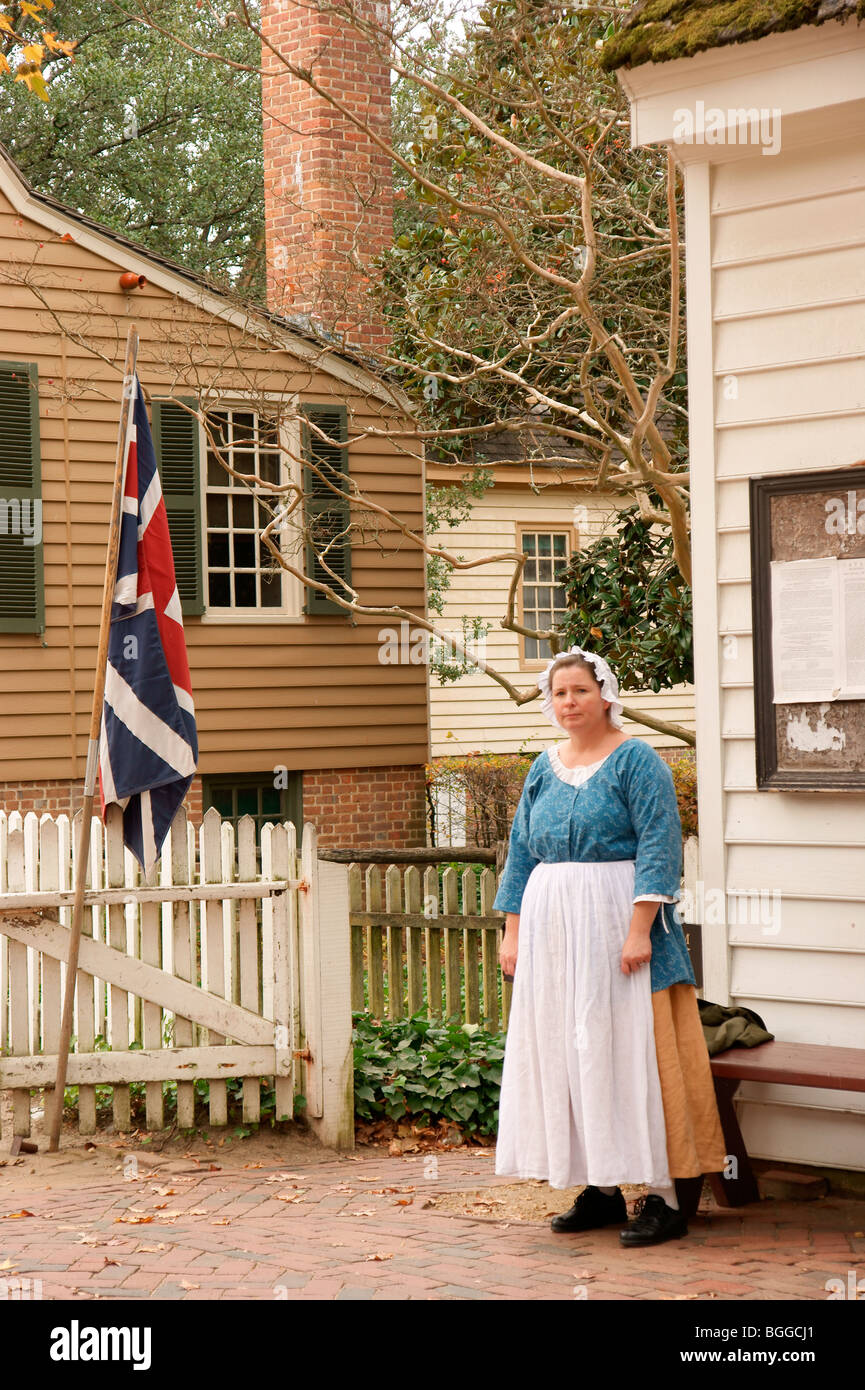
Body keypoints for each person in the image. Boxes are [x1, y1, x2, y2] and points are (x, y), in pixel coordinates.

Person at [494, 645, 727, 1247]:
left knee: (628, 1051)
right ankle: (599, 1187)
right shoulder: (543, 766)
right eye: (559, 693)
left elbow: (659, 844)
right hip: (553, 927)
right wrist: (512, 930)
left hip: (615, 919)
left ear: (605, 695)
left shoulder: (636, 760)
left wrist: (638, 928)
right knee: (572, 1051)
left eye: (580, 691)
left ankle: (660, 1195)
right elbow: (521, 850)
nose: (569, 703)